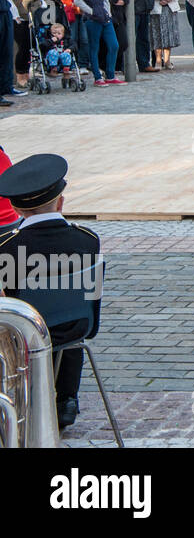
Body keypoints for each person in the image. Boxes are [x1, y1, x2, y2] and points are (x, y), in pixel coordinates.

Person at [0, 154, 102, 430]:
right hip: (77, 328)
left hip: (25, 337)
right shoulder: (88, 240)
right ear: (60, 202)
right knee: (65, 311)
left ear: (17, 210)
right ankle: (66, 399)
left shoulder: (6, 248)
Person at [73, 0, 122, 86]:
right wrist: (91, 11)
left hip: (106, 18)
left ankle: (110, 75)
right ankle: (97, 77)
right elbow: (77, 0)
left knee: (114, 45)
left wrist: (108, 13)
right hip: (93, 19)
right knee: (94, 47)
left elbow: (105, 0)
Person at [8, 0, 43, 93]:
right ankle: (20, 77)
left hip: (34, 16)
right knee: (22, 47)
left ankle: (27, 75)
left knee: (30, 46)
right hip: (20, 16)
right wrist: (15, 15)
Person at [102, 0, 129, 78]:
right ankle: (107, 68)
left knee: (123, 43)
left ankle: (116, 66)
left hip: (120, 17)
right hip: (107, 17)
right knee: (109, 44)